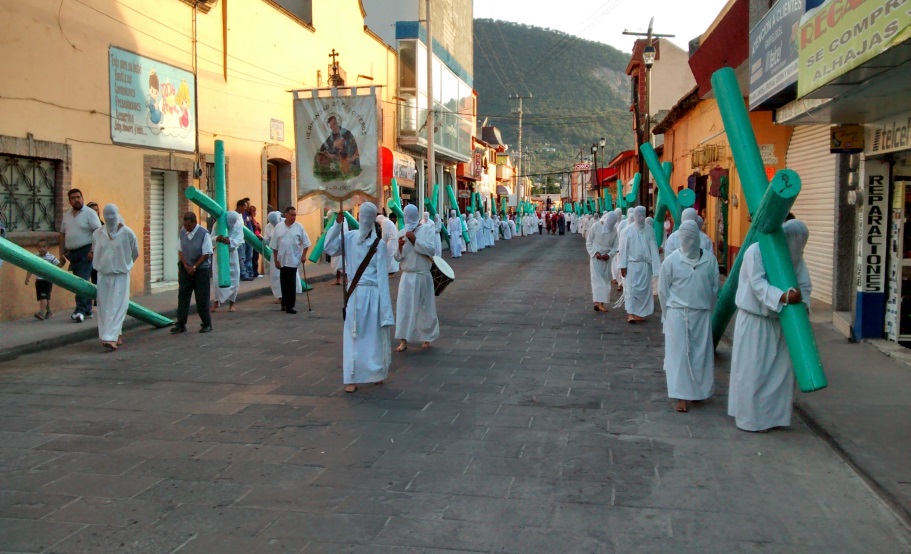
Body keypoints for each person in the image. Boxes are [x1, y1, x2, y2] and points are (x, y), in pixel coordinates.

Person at [728, 220, 812, 432]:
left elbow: (804, 285)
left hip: (782, 321)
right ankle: (751, 419)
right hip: (755, 322)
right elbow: (758, 285)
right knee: (753, 371)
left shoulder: (796, 257)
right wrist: (783, 297)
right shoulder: (756, 252)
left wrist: (802, 304)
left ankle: (772, 418)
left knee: (779, 374)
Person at [324, 202, 394, 393]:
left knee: (372, 335)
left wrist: (384, 309)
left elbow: (381, 277)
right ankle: (352, 376)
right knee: (354, 335)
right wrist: (337, 224)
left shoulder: (378, 245)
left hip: (371, 294)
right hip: (355, 293)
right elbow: (330, 248)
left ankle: (375, 372)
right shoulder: (349, 237)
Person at [658, 221, 719, 413]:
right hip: (678, 314)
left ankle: (699, 392)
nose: (689, 243)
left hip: (701, 315)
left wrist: (706, 309)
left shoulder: (710, 260)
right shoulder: (671, 261)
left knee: (700, 355)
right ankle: (681, 396)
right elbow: (663, 292)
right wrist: (669, 316)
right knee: (679, 356)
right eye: (685, 239)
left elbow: (714, 289)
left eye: (692, 239)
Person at [92, 204, 139, 351]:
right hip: (103, 275)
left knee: (118, 306)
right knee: (105, 306)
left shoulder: (128, 233)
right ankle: (114, 335)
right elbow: (96, 251)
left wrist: (124, 264)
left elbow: (135, 252)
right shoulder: (98, 233)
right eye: (107, 215)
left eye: (112, 215)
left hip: (120, 275)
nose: (110, 218)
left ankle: (110, 338)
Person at [394, 204, 440, 352]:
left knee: (425, 307)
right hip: (407, 276)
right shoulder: (402, 232)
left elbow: (431, 250)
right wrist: (399, 247)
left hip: (423, 275)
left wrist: (415, 241)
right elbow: (397, 257)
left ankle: (427, 337)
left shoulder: (427, 230)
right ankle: (403, 339)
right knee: (404, 308)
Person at [60, 188, 102, 322]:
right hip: (72, 254)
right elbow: (62, 234)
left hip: (86, 251)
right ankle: (88, 309)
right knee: (80, 281)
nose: (76, 200)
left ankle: (80, 311)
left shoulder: (90, 213)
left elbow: (98, 232)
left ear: (82, 198)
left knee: (81, 281)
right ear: (69, 201)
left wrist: (93, 250)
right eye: (73, 198)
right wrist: (62, 252)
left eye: (78, 197)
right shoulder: (67, 216)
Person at [171, 211, 214, 334]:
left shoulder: (203, 234)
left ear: (195, 223)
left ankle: (206, 323)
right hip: (186, 268)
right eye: (185, 225)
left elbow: (206, 253)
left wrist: (194, 266)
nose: (187, 228)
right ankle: (181, 323)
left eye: (189, 226)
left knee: (202, 297)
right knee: (183, 296)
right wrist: (186, 265)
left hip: (201, 270)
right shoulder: (183, 232)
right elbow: (180, 250)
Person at [619, 206, 660, 324]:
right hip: (632, 265)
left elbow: (653, 249)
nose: (641, 218)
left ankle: (639, 313)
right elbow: (623, 249)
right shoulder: (627, 231)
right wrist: (623, 265)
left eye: (643, 215)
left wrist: (656, 267)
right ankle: (630, 314)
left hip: (645, 266)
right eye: (639, 216)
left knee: (644, 291)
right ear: (635, 216)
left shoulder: (650, 230)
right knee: (631, 290)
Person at [270, 206, 311, 314]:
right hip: (282, 259)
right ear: (286, 215)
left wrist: (304, 255)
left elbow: (306, 243)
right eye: (292, 215)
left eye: (295, 215)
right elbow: (274, 245)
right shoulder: (279, 227)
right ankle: (284, 302)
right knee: (283, 282)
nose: (294, 217)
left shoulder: (299, 227)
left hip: (293, 258)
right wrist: (276, 260)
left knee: (291, 283)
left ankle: (290, 305)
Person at [25, 238, 65, 320]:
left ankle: (41, 312)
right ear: (37, 248)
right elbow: (31, 267)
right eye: (39, 247)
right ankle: (49, 311)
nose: (42, 249)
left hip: (47, 280)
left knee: (43, 297)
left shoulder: (50, 257)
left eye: (44, 247)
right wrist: (27, 278)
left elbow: (58, 266)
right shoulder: (35, 256)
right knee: (45, 297)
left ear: (48, 248)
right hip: (38, 281)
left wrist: (62, 262)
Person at [211, 210, 244, 312]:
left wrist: (230, 241)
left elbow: (240, 240)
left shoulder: (238, 225)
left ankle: (232, 304)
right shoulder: (217, 225)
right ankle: (216, 302)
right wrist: (217, 238)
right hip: (219, 254)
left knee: (235, 278)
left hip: (232, 255)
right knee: (217, 279)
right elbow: (210, 238)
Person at [587, 211, 619, 313]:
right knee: (596, 281)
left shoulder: (614, 231)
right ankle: (597, 303)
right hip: (596, 258)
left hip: (606, 259)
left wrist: (609, 255)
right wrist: (595, 252)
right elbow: (589, 242)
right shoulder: (596, 227)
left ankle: (601, 303)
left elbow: (616, 246)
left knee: (605, 282)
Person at [237, 199, 254, 281]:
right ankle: (243, 274)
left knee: (245, 257)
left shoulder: (242, 215)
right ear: (240, 206)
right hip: (238, 240)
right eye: (244, 207)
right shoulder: (235, 215)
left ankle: (246, 273)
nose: (245, 209)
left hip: (243, 239)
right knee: (241, 258)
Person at [248, 205, 263, 278]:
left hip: (256, 239)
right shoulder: (250, 219)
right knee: (254, 257)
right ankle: (254, 272)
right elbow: (254, 228)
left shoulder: (252, 219)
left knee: (255, 257)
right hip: (253, 240)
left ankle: (254, 272)